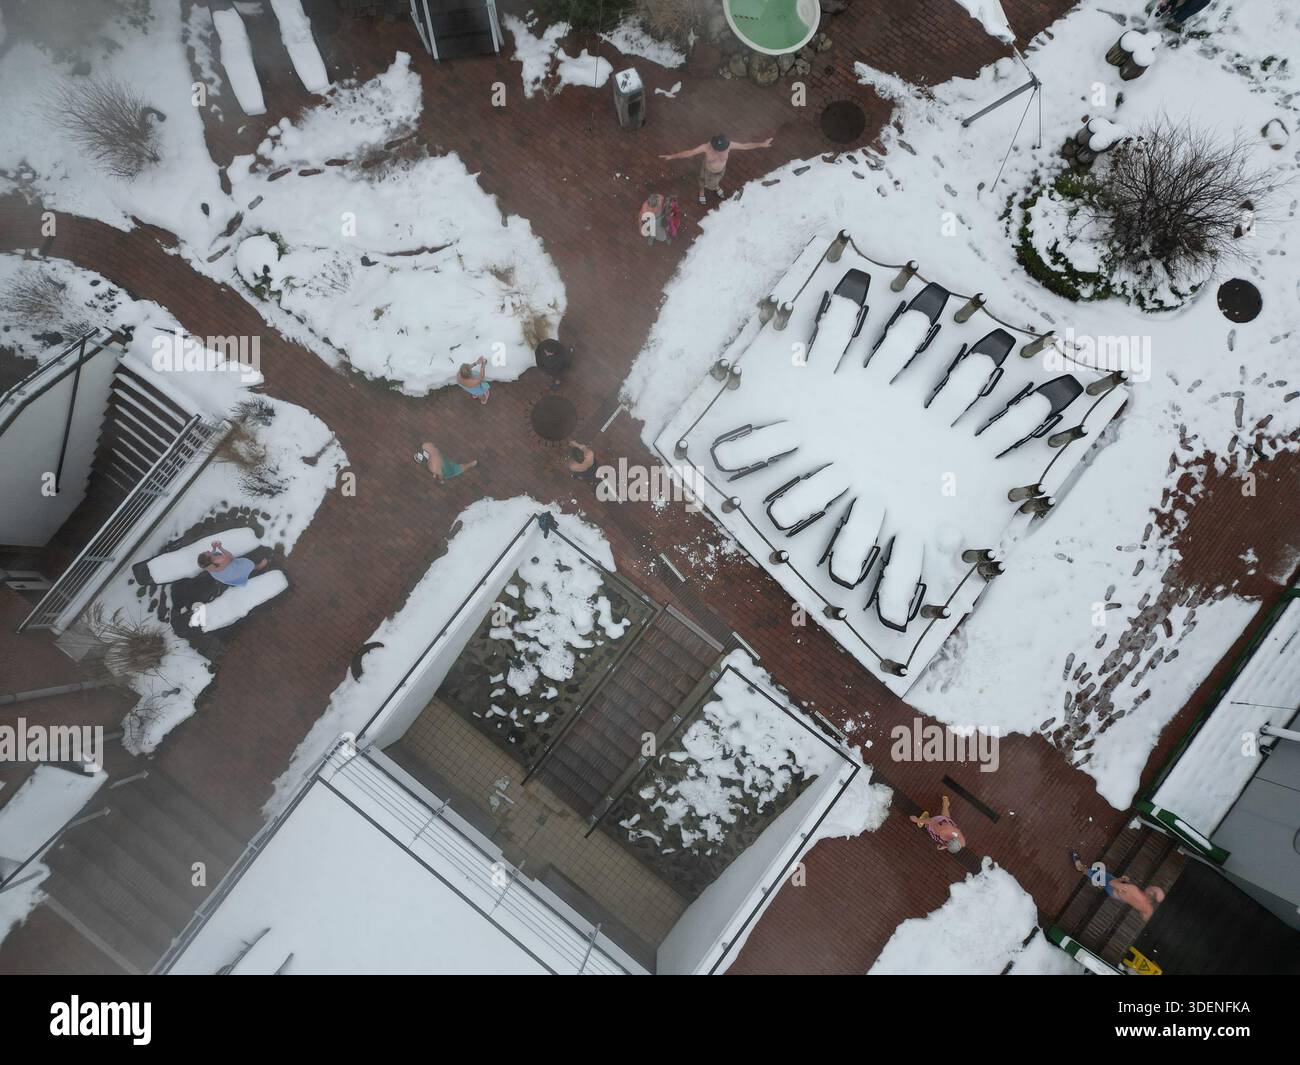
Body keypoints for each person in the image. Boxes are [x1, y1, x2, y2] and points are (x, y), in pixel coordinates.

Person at [660, 133, 774, 206]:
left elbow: (745, 146)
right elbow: (689, 153)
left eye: (722, 149)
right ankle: (701, 192)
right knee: (702, 182)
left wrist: (761, 144)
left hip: (720, 171)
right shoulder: (706, 147)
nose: (720, 151)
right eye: (718, 149)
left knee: (715, 181)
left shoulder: (729, 145)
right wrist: (672, 156)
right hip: (708, 170)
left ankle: (715, 186)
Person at [1071, 852, 1166, 921]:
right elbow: (1144, 918)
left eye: (1152, 888)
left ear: (1151, 893)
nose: (1150, 886)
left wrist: (1122, 879)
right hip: (1118, 895)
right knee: (1103, 881)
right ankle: (1100, 884)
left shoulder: (1133, 890)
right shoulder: (1148, 909)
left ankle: (1080, 867)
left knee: (1097, 874)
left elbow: (1112, 883)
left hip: (1113, 888)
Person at [198, 541, 268, 588]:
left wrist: (213, 548)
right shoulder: (219, 560)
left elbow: (211, 556)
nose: (207, 551)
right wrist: (220, 547)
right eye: (207, 552)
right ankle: (258, 567)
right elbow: (230, 557)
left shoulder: (208, 566)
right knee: (247, 564)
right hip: (232, 571)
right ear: (211, 558)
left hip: (224, 574)